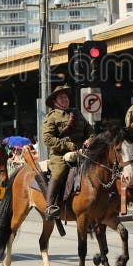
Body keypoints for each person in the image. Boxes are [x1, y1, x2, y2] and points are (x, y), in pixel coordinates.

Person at [42, 84, 94, 221]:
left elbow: (89, 128)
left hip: (82, 150)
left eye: (66, 97)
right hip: (60, 154)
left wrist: (90, 138)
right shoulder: (51, 117)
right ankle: (50, 206)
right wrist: (67, 145)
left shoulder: (76, 113)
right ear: (55, 101)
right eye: (61, 97)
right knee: (59, 172)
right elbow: (47, 139)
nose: (65, 99)